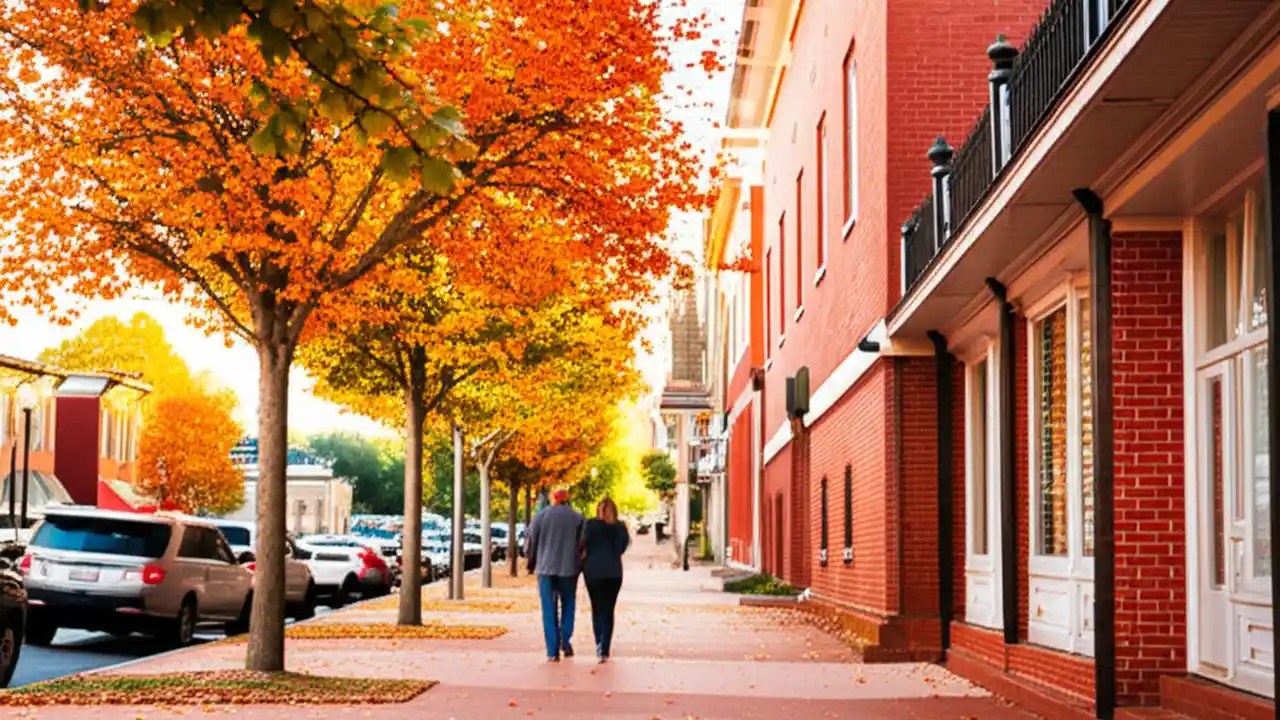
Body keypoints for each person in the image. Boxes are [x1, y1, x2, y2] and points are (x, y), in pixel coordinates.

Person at [524, 487, 583, 662]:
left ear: (553, 499)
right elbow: (583, 544)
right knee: (568, 605)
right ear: (567, 499)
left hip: (545, 569)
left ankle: (552, 651)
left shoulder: (540, 517)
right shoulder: (577, 518)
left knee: (548, 610)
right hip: (568, 569)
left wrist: (531, 561)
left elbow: (530, 543)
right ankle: (565, 639)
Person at [581, 497, 629, 663]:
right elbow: (622, 547)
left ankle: (598, 642)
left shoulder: (590, 525)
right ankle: (605, 648)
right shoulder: (620, 527)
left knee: (596, 608)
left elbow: (582, 544)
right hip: (613, 572)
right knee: (608, 610)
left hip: (593, 572)